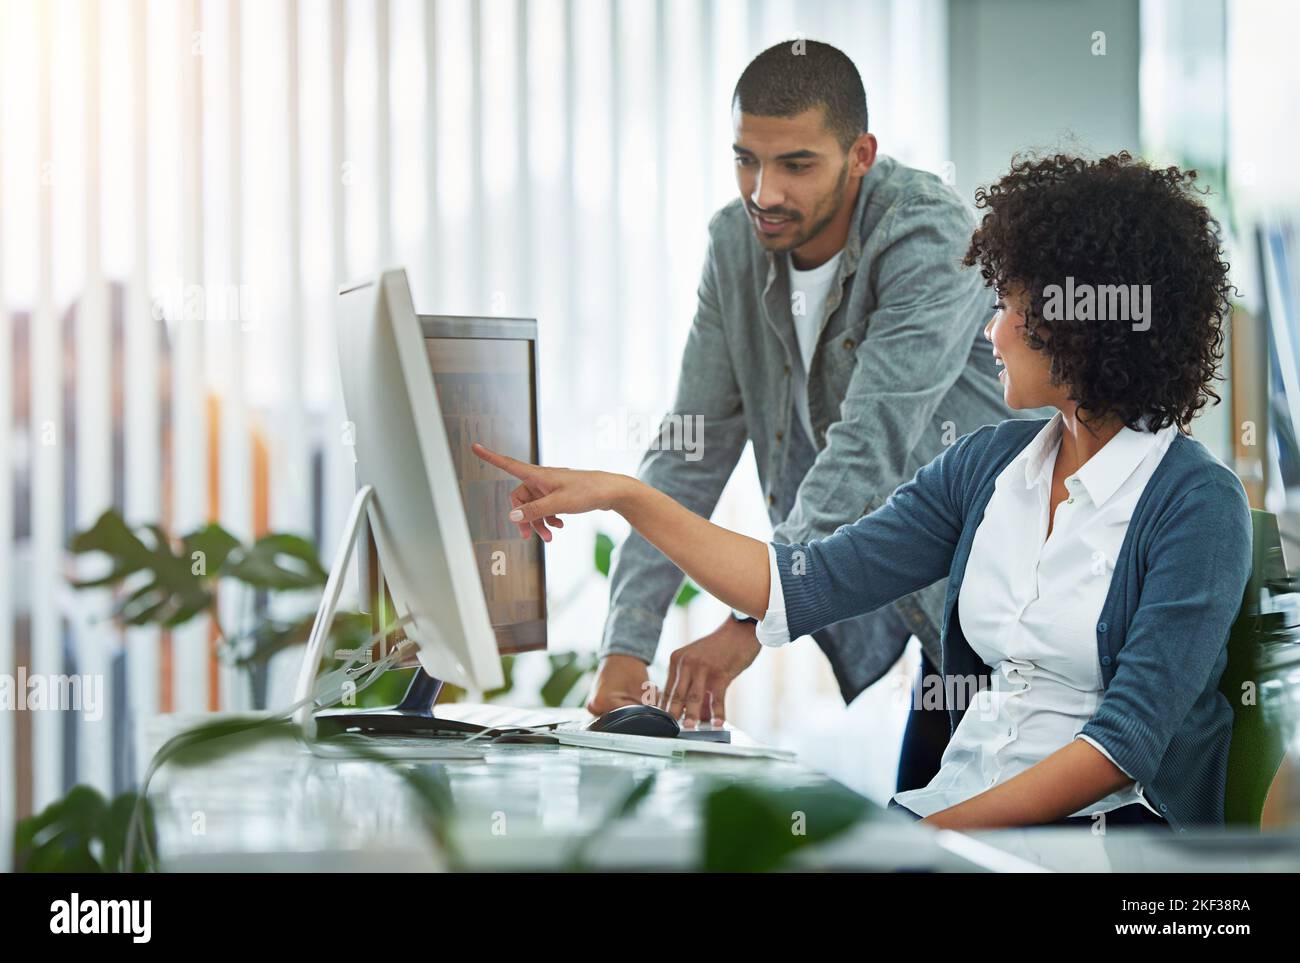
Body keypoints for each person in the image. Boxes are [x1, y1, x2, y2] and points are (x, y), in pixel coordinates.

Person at [473, 151, 1249, 831]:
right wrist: (623, 495)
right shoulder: (986, 466)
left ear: (1079, 323)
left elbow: (1122, 747)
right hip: (956, 823)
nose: (991, 332)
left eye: (1009, 306)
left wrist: (923, 833)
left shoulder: (1197, 505)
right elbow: (802, 580)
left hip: (1100, 846)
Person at [589, 39, 1025, 796]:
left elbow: (868, 447)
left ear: (860, 155)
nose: (764, 193)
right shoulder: (735, 245)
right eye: (746, 160)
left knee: (948, 836)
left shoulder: (928, 235)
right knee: (918, 829)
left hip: (1012, 610)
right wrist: (624, 648)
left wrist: (747, 623)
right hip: (936, 616)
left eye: (796, 165)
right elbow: (689, 452)